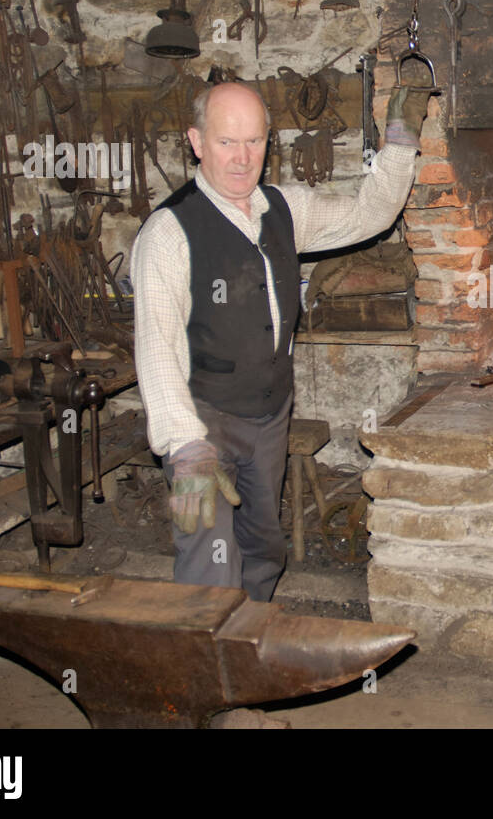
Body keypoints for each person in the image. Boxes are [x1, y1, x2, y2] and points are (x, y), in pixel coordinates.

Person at [131, 81, 427, 600]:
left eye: (256, 141)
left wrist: (400, 140)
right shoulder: (169, 232)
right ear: (196, 142)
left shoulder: (284, 210)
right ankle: (205, 668)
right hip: (202, 424)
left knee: (263, 550)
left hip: (269, 418)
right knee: (209, 561)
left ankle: (250, 651)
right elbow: (157, 349)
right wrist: (186, 449)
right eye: (227, 142)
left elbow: (369, 214)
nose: (244, 158)